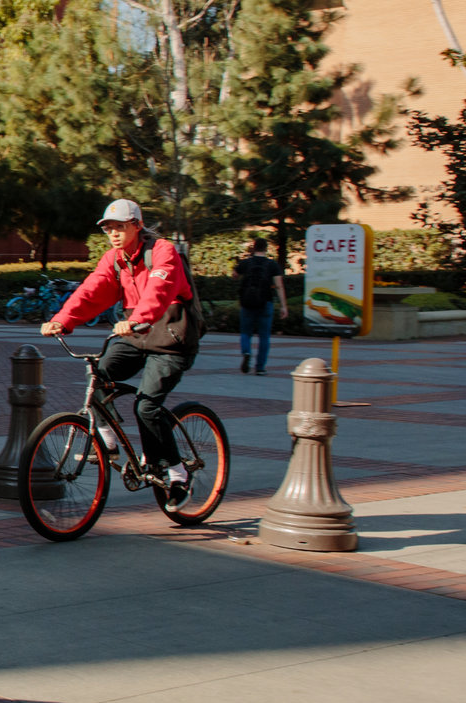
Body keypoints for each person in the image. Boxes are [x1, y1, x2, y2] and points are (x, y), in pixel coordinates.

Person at [40, 199, 203, 493]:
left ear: (137, 226)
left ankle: (178, 472)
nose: (113, 233)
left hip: (171, 338)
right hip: (137, 335)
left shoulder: (162, 251)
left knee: (147, 408)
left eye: (120, 227)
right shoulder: (114, 258)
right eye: (108, 228)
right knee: (99, 374)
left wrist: (138, 318)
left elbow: (159, 290)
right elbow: (92, 290)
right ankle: (107, 439)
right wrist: (63, 320)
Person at [232, 238, 289, 374]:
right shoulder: (272, 265)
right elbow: (279, 286)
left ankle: (246, 352)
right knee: (264, 336)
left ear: (254, 248)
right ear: (266, 248)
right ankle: (260, 367)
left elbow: (235, 275)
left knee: (246, 332)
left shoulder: (246, 263)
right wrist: (283, 306)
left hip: (247, 303)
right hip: (265, 303)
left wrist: (239, 272)